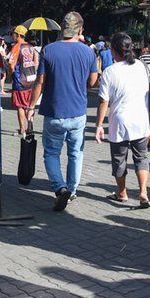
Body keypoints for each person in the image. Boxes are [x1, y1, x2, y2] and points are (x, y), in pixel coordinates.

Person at [30, 11, 99, 211]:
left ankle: (60, 189)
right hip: (78, 112)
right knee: (75, 153)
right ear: (80, 29)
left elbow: (40, 82)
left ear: (62, 29)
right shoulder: (88, 52)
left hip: (54, 112)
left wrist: (30, 106)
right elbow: (93, 81)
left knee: (51, 153)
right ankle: (72, 190)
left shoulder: (49, 50)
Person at [94, 32, 150, 209]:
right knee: (141, 157)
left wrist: (99, 125)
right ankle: (143, 192)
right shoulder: (142, 66)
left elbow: (104, 101)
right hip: (141, 120)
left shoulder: (110, 71)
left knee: (119, 159)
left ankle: (122, 192)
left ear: (113, 50)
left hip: (119, 121)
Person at [5, 26, 39, 134]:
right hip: (32, 80)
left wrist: (9, 75)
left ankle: (22, 129)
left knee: (20, 106)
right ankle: (30, 125)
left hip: (20, 81)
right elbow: (36, 62)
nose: (12, 36)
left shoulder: (16, 47)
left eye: (13, 34)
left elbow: (11, 65)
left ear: (18, 35)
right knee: (30, 105)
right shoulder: (31, 47)